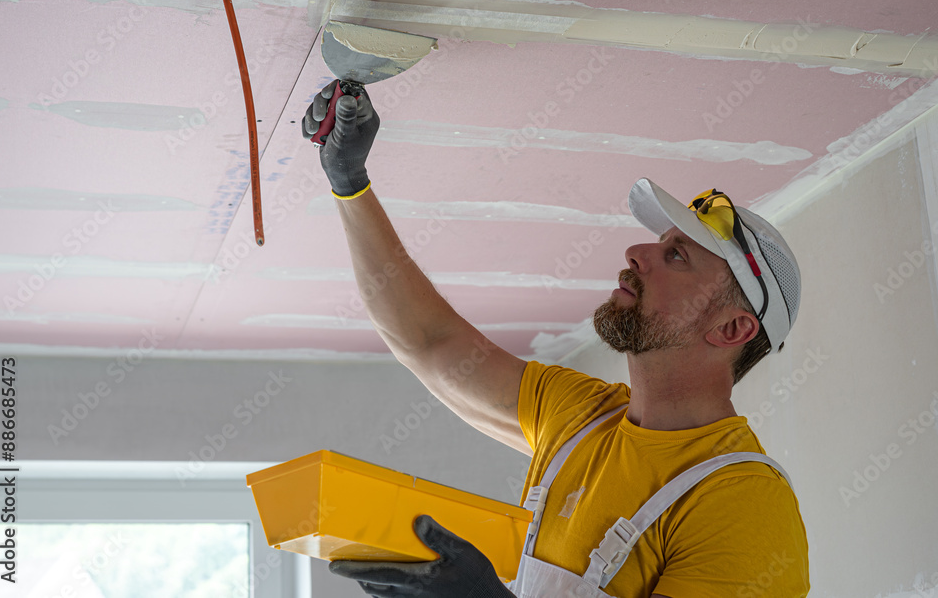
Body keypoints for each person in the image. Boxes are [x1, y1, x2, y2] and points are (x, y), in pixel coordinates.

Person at [302, 82, 809, 597]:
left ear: (732, 329)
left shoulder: (740, 501)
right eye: (660, 243)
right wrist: (350, 183)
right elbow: (430, 341)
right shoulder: (581, 417)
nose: (637, 251)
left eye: (677, 256)